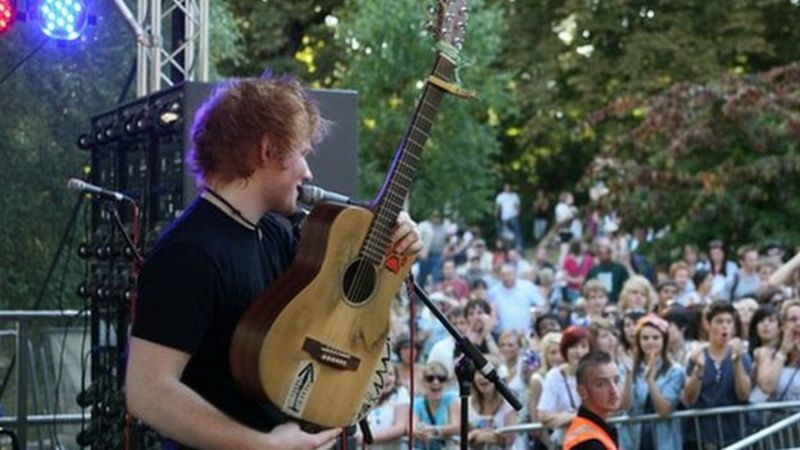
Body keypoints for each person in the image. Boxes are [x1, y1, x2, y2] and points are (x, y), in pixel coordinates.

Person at [125, 76, 423, 450]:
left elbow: (335, 314)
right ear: (268, 150)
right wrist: (261, 445)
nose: (308, 172)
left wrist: (396, 241)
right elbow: (147, 392)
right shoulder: (188, 254)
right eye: (301, 152)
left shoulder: (275, 233)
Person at [681, 301, 752, 449]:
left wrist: (737, 362)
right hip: (699, 436)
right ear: (708, 325)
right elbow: (689, 398)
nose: (724, 326)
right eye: (719, 321)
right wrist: (698, 369)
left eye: (729, 321)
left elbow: (744, 394)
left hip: (733, 436)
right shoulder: (696, 355)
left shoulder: (742, 356)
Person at [619, 314, 684, 450]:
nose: (650, 342)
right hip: (633, 440)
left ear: (664, 340)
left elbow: (664, 410)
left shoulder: (675, 370)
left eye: (656, 337)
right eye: (645, 338)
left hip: (664, 442)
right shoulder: (629, 366)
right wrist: (629, 375)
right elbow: (626, 407)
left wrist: (650, 380)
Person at [562, 352, 621, 450]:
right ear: (582, 392)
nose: (614, 390)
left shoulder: (597, 428)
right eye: (601, 384)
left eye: (616, 380)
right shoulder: (587, 443)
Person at [357, 362, 411, 450]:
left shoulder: (401, 393)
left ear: (396, 378)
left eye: (390, 374)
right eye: (382, 373)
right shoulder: (362, 395)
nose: (386, 378)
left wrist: (368, 438)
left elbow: (400, 428)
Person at [412, 361, 460, 450]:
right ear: (423, 382)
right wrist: (420, 431)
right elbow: (412, 428)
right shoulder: (417, 403)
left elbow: (457, 426)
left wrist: (434, 430)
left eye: (441, 378)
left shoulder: (451, 399)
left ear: (446, 382)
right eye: (430, 378)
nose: (436, 382)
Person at [495, 183, 523, 250]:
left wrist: (518, 214)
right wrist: (496, 214)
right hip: (504, 218)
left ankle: (519, 248)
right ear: (504, 188)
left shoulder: (514, 196)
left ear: (510, 188)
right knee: (504, 234)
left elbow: (518, 207)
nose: (507, 188)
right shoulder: (500, 196)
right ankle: (505, 248)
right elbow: (498, 207)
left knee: (517, 233)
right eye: (506, 187)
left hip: (513, 217)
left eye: (508, 187)